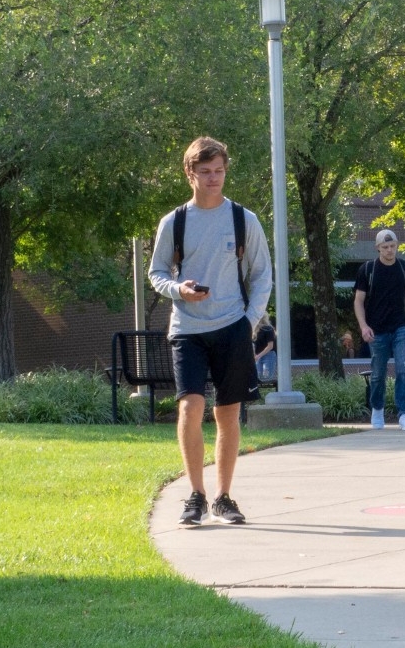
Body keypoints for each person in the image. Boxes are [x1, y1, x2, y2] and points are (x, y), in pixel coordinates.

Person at [148, 136, 272, 527]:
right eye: (205, 172)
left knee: (227, 413)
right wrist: (179, 289)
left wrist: (248, 321)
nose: (214, 178)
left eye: (219, 170)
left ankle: (223, 497)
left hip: (232, 326)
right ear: (190, 174)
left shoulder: (243, 219)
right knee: (190, 406)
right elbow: (157, 273)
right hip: (187, 328)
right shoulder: (175, 221)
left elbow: (261, 275)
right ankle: (195, 495)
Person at [354, 229, 405, 431]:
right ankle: (377, 409)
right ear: (377, 248)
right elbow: (358, 301)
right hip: (376, 330)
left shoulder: (404, 268)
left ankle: (404, 415)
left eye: (392, 246)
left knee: (404, 369)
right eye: (385, 247)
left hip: (400, 326)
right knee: (378, 374)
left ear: (397, 246)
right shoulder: (368, 270)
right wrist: (363, 326)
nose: (389, 250)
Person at [253, 318, 276, 382]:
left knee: (266, 377)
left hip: (268, 355)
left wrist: (258, 356)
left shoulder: (268, 329)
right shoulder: (253, 330)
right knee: (258, 377)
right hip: (257, 356)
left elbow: (270, 346)